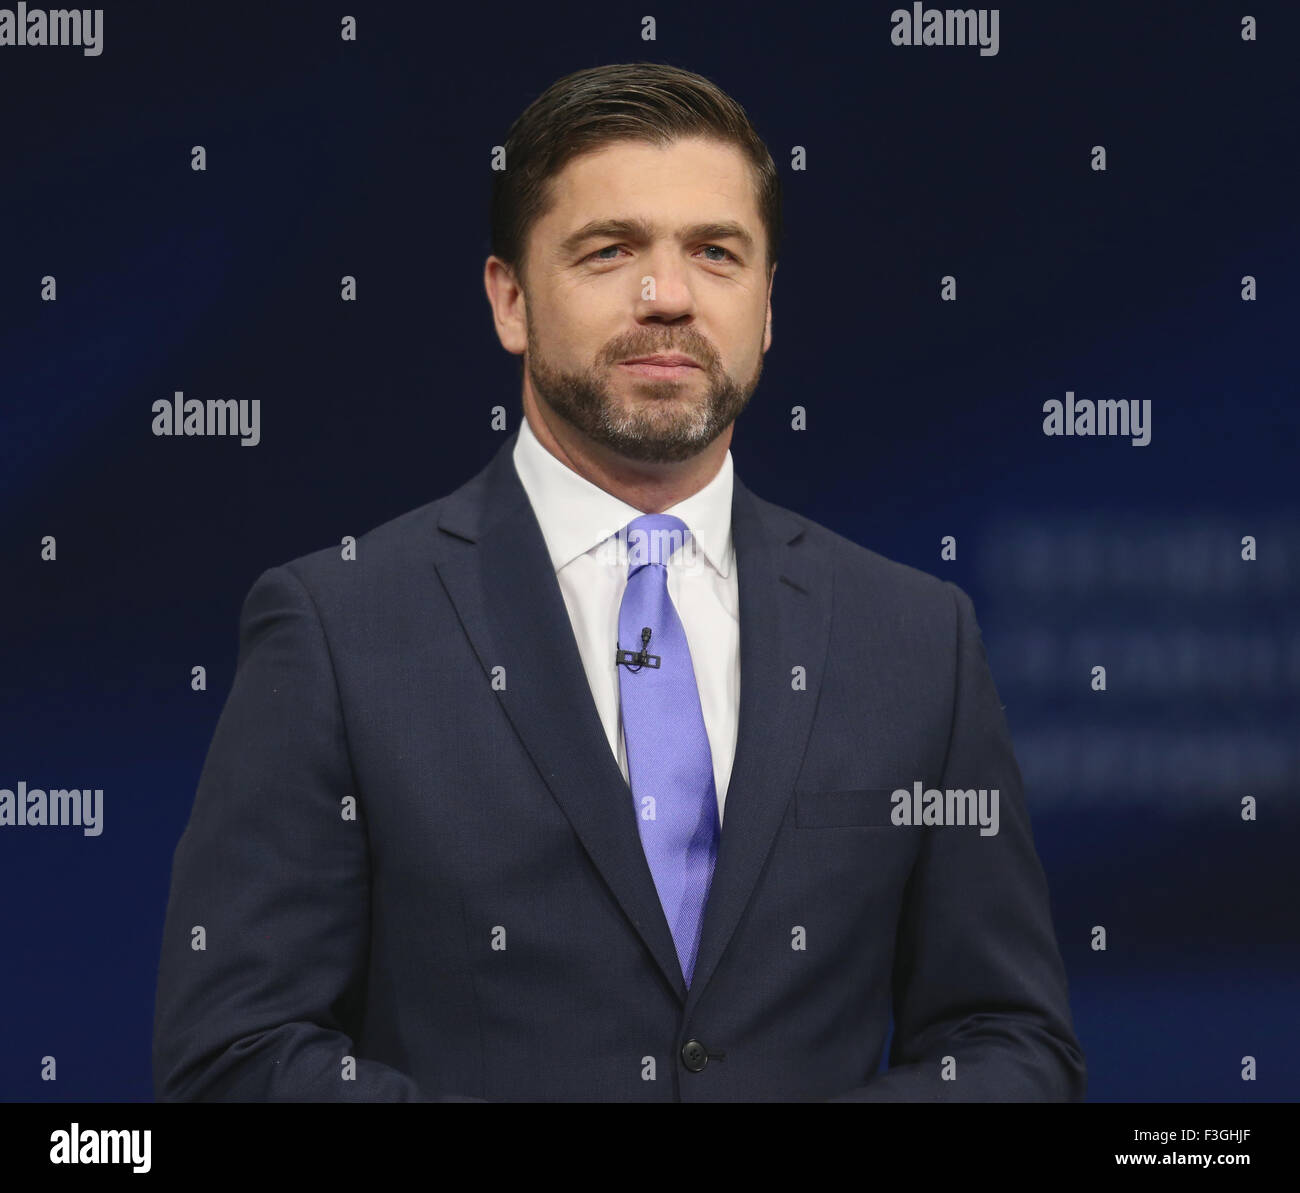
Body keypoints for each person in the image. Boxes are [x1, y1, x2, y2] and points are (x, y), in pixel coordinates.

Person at [152, 62, 1086, 1102]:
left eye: (715, 253)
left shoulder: (915, 636)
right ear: (510, 299)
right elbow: (234, 1057)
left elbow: (1008, 1043)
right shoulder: (338, 626)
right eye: (610, 251)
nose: (667, 297)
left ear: (767, 306)